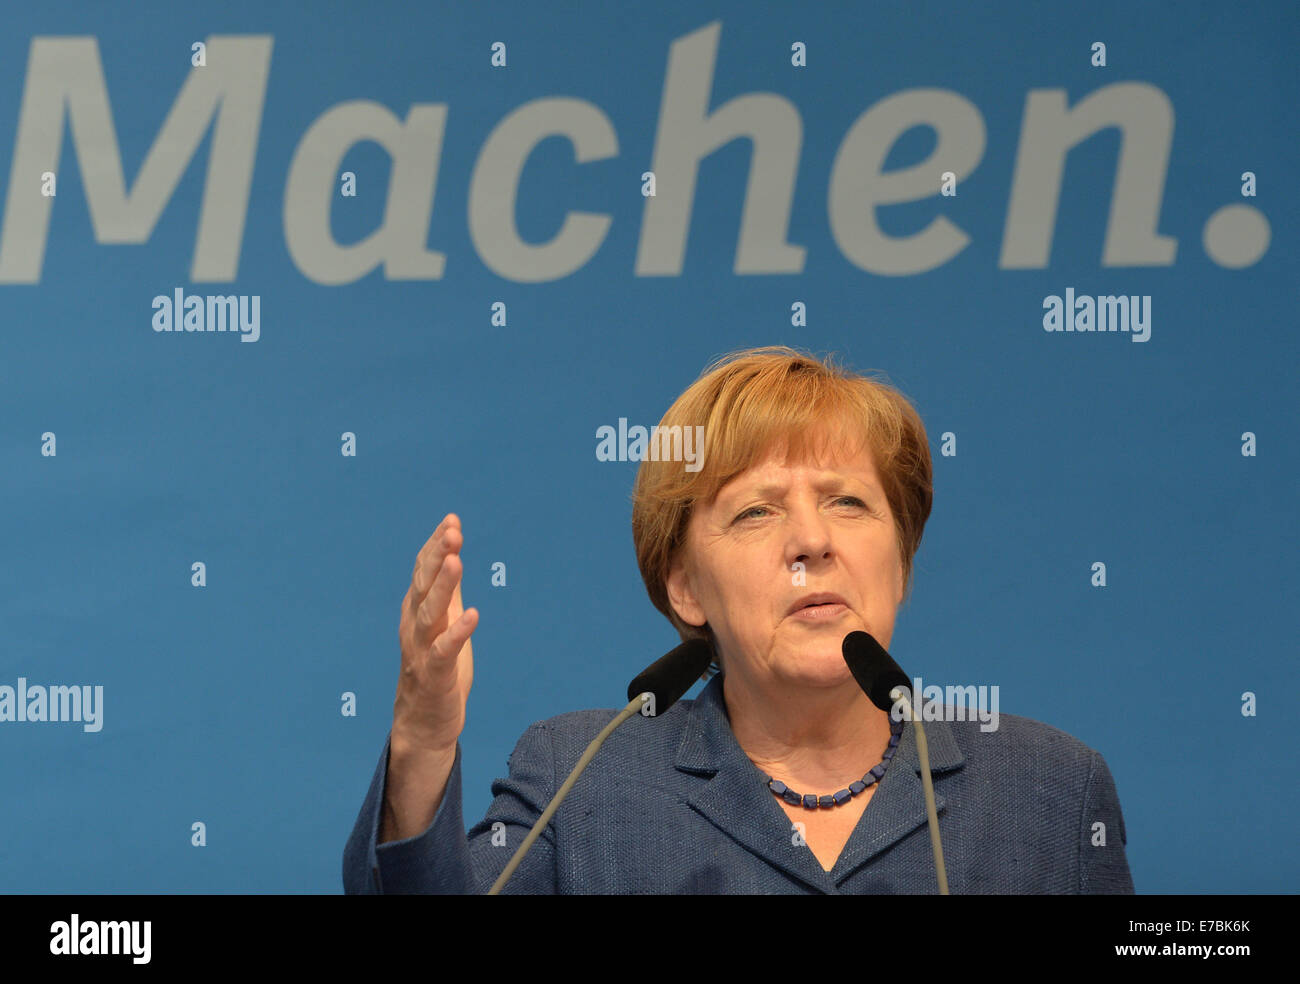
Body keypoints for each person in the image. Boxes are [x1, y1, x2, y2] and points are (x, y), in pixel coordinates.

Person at [342, 346, 1134, 893]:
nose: (812, 542)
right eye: (756, 512)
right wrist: (423, 734)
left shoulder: (1051, 792)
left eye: (848, 502)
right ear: (685, 588)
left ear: (900, 559)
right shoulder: (582, 783)